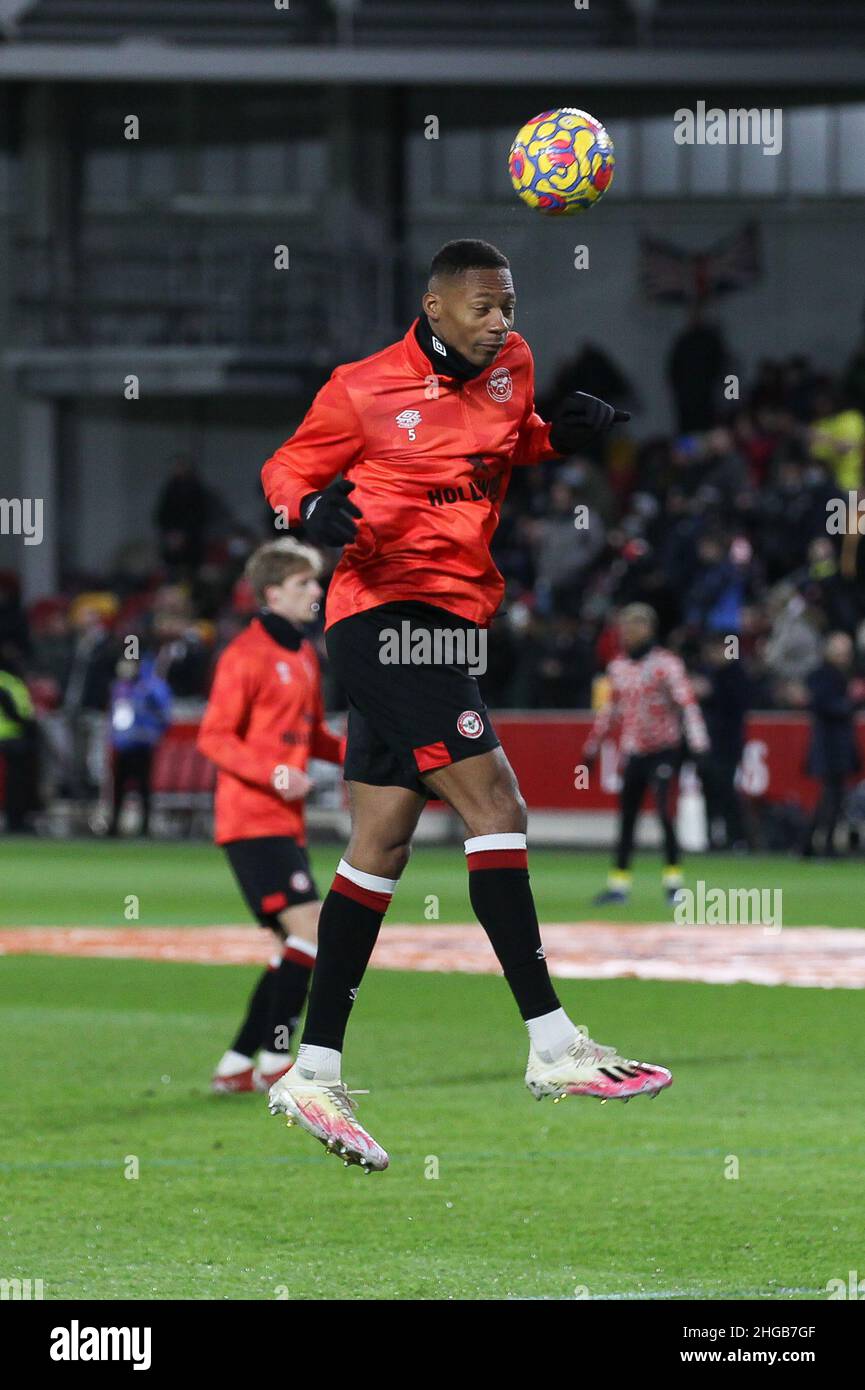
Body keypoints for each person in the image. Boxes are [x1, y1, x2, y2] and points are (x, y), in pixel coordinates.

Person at [260, 238, 672, 1174]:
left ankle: (312, 1068)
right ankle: (553, 1044)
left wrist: (556, 435)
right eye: (484, 308)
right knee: (498, 807)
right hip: (383, 616)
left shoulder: (511, 368)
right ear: (434, 308)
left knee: (380, 847)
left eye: (510, 306)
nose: (503, 324)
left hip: (451, 618)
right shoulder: (361, 388)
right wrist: (307, 512)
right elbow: (284, 471)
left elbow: (506, 440)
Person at [197, 538, 345, 1095]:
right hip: (249, 819)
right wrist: (274, 773)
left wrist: (366, 754)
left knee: (295, 945)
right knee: (311, 931)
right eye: (306, 583)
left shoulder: (304, 655)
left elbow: (311, 737)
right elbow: (213, 737)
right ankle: (277, 1056)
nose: (317, 591)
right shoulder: (244, 655)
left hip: (285, 823)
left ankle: (238, 1062)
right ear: (272, 591)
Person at [583, 604, 710, 905]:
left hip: (664, 750)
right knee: (627, 818)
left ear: (648, 629)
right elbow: (609, 711)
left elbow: (687, 704)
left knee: (665, 814)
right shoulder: (617, 667)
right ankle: (618, 885)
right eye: (624, 628)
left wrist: (699, 745)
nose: (627, 633)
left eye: (633, 627)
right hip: (634, 751)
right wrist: (591, 748)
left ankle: (674, 884)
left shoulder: (666, 664)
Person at [801, 631, 862, 858]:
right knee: (829, 796)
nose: (844, 656)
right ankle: (820, 843)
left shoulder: (843, 676)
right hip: (828, 743)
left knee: (833, 797)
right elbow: (826, 706)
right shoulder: (822, 676)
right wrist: (852, 702)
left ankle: (812, 843)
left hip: (840, 743)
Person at [107, 655, 172, 837]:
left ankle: (146, 826)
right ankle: (115, 824)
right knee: (118, 786)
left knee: (143, 786)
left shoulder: (151, 687)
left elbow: (164, 714)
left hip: (143, 744)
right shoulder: (122, 686)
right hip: (124, 744)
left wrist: (153, 735)